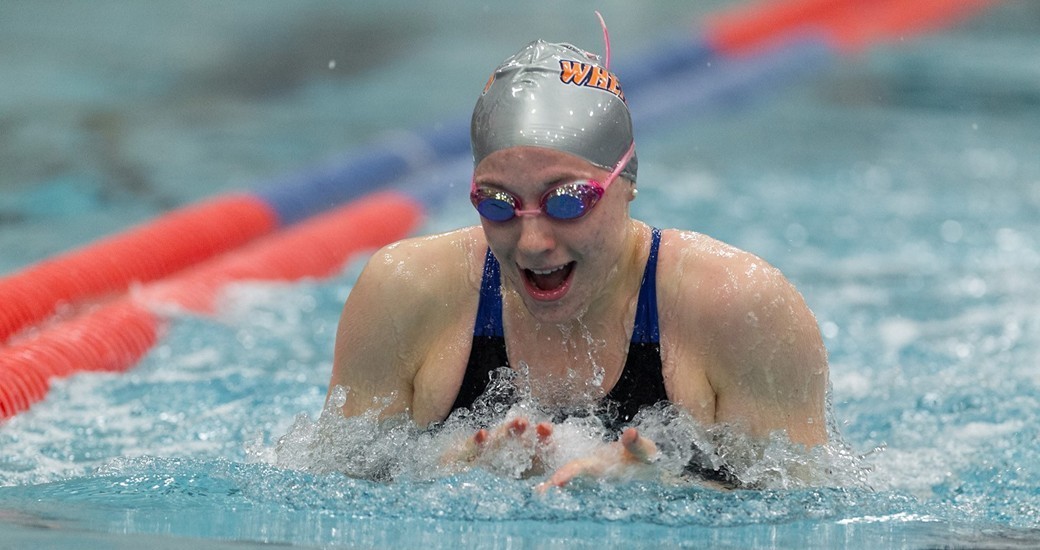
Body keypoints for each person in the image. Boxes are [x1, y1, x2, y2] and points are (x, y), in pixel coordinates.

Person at [328, 38, 828, 489]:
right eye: (498, 203)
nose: (531, 243)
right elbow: (331, 492)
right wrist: (435, 476)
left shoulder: (738, 305)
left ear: (626, 183)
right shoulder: (405, 291)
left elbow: (813, 513)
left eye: (566, 201)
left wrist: (672, 492)